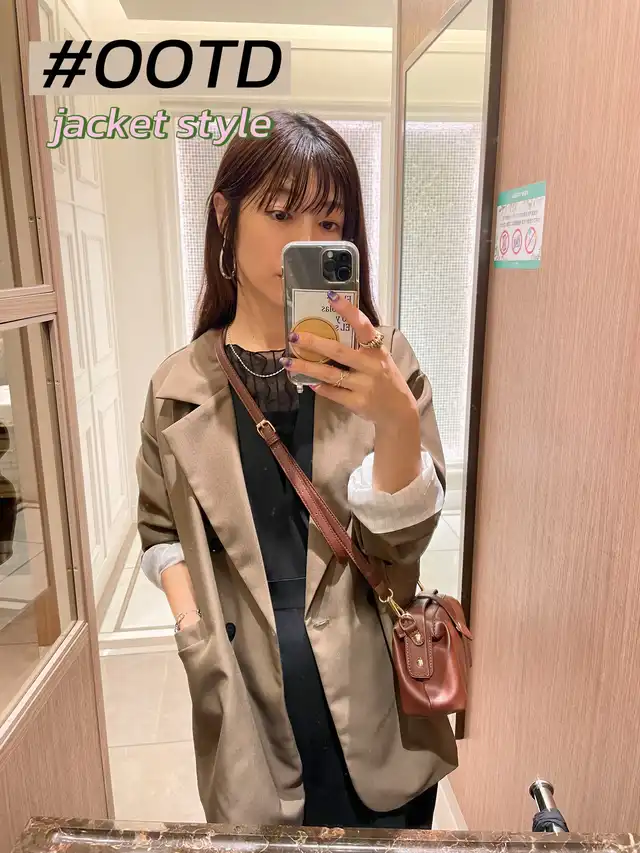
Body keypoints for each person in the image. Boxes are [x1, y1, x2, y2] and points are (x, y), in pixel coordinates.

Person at [136, 110, 457, 828]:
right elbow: (158, 530)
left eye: (328, 222)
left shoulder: (386, 365)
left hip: (376, 701)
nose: (304, 240)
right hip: (245, 700)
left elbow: (401, 545)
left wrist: (397, 421)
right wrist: (193, 628)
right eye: (281, 214)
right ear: (225, 216)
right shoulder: (176, 388)